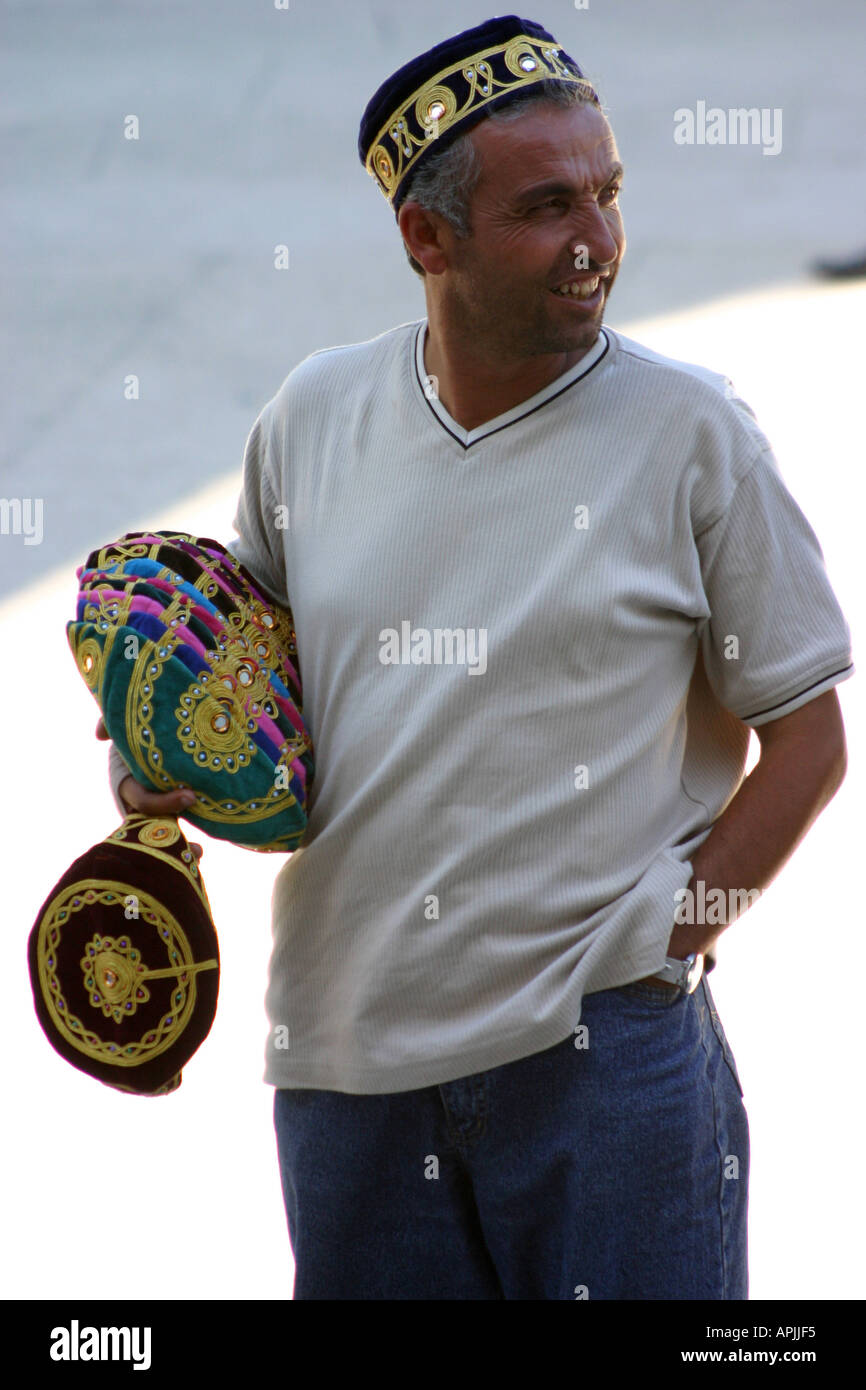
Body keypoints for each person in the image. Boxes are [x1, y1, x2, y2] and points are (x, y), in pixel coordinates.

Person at [103, 15, 853, 1299]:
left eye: (608, 194)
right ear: (424, 238)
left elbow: (809, 737)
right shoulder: (311, 417)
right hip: (346, 1072)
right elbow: (245, 682)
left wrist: (664, 943)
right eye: (547, 205)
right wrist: (151, 763)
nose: (598, 242)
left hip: (603, 1066)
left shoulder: (691, 434)